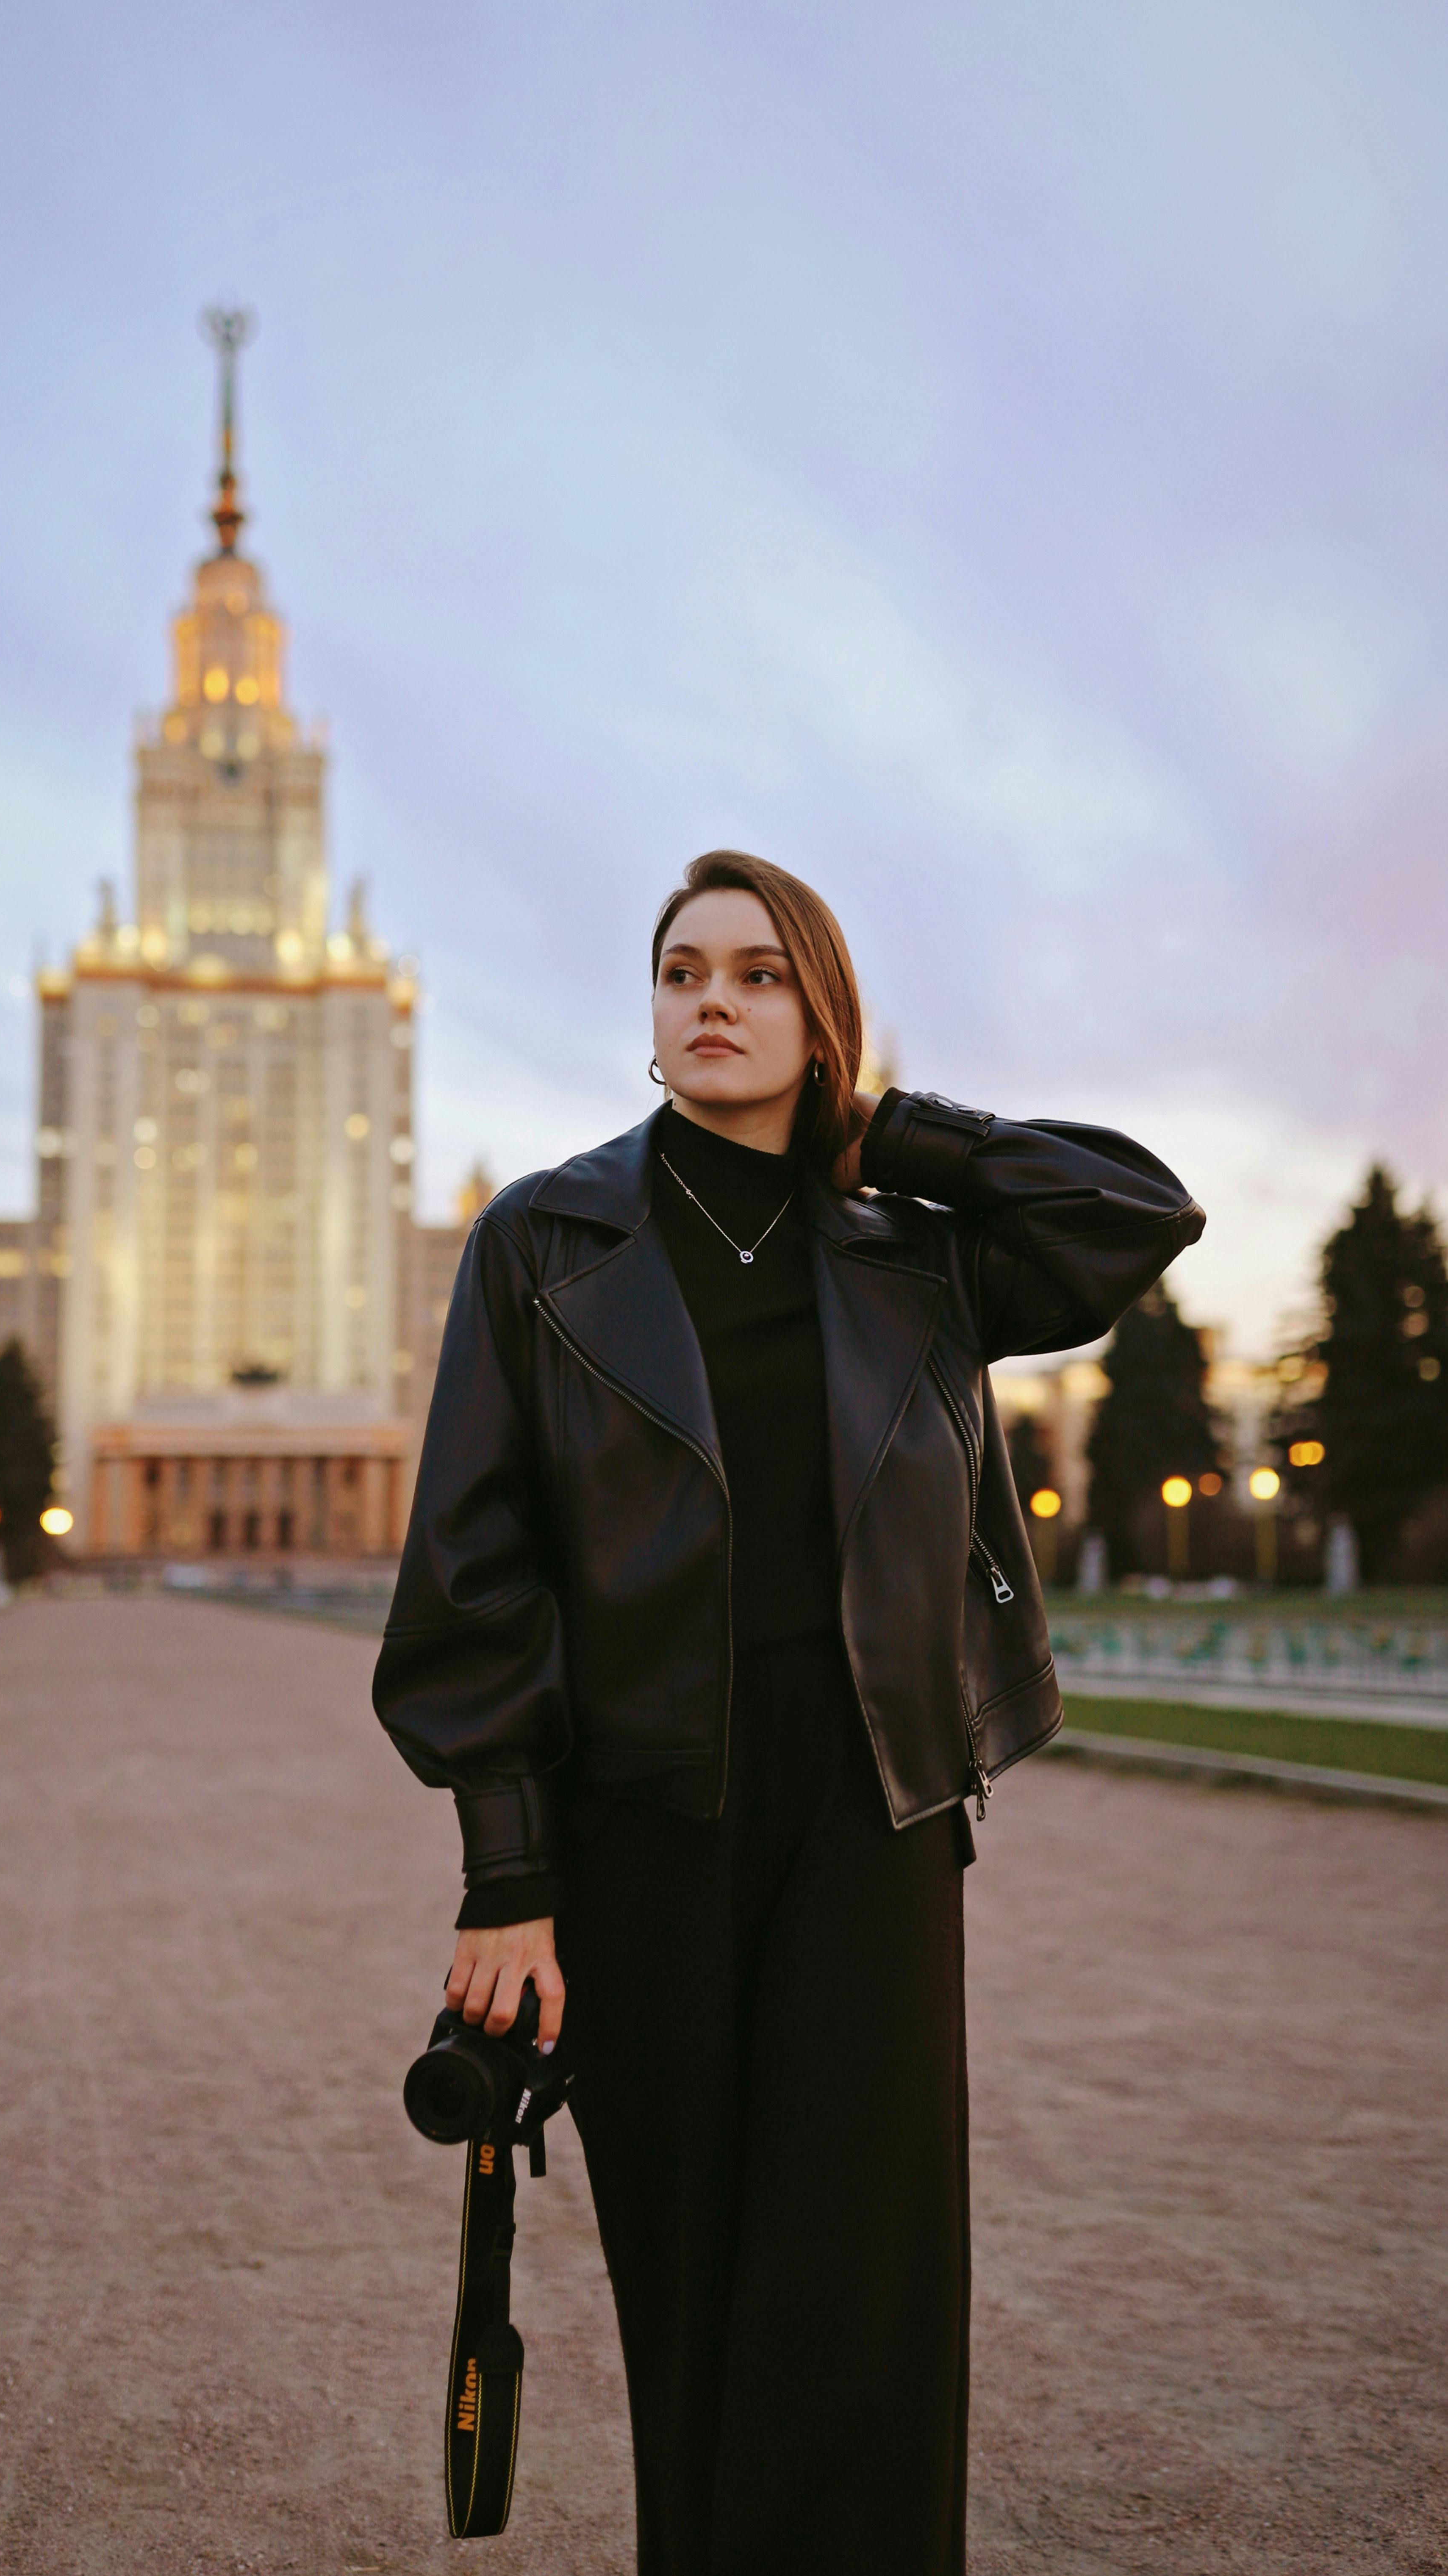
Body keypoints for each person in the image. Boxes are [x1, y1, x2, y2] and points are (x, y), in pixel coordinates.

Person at [373, 849, 1204, 2575]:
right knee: (695, 2282)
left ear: (820, 1019)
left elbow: (1134, 1215)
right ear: (649, 1010)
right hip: (640, 1831)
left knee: (869, 2289)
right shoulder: (546, 1237)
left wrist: (889, 1129)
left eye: (760, 976)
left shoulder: (915, 1254)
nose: (714, 1004)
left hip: (874, 1819)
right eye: (684, 973)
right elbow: (474, 1564)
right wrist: (506, 1870)